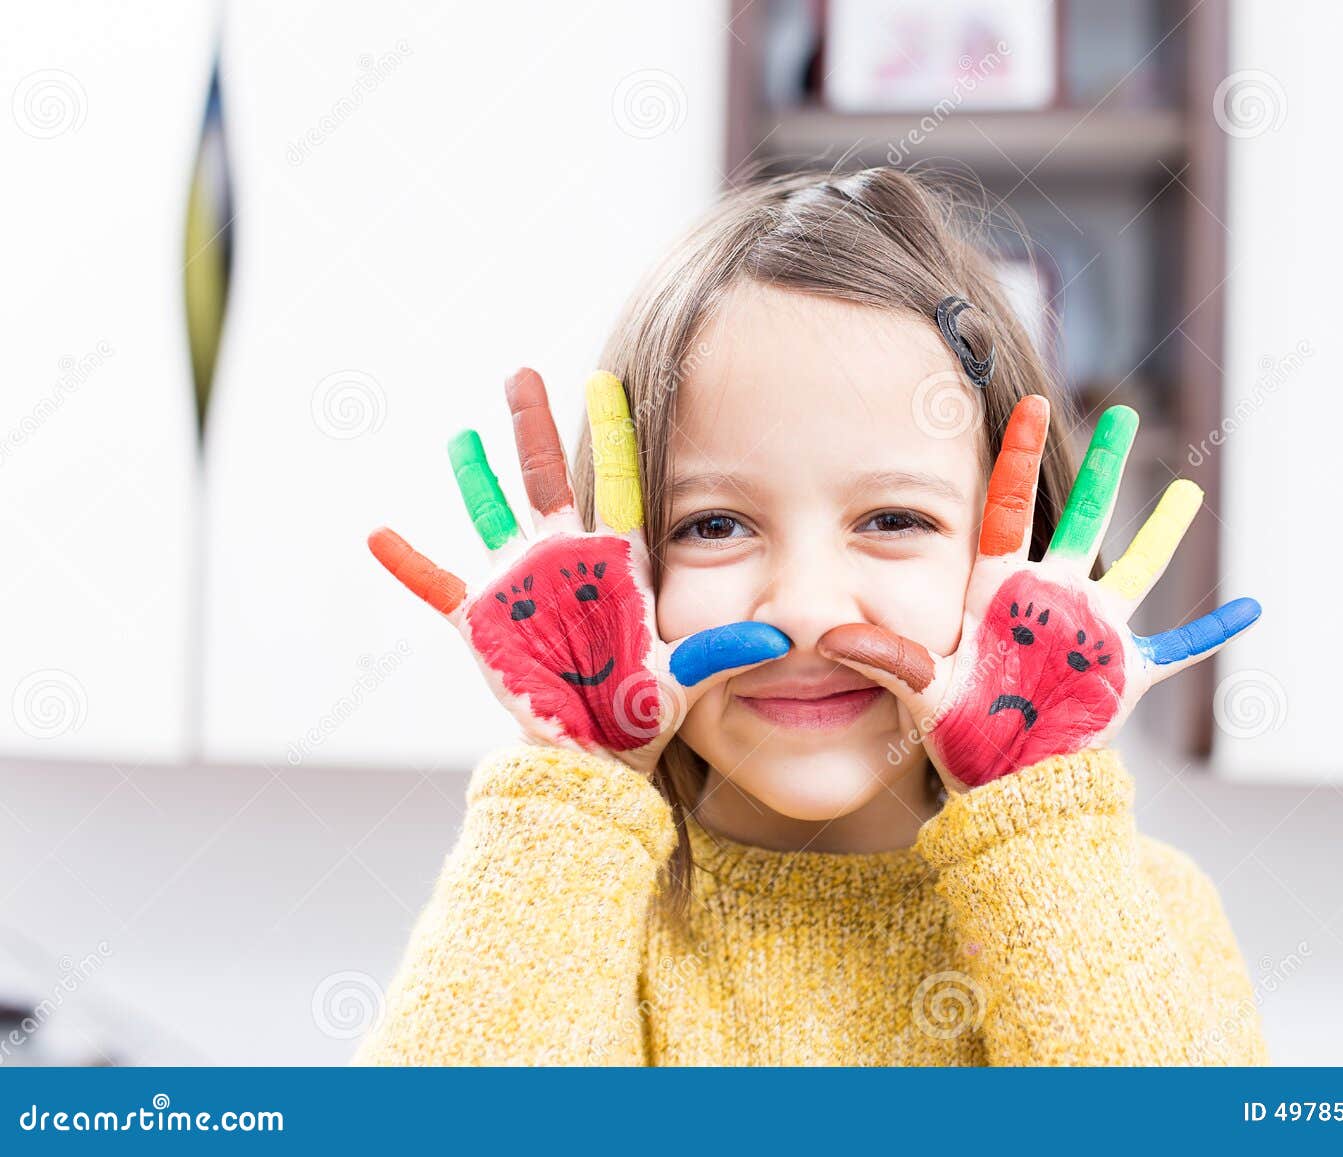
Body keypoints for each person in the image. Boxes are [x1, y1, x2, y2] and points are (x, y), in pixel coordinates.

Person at [355, 167, 1267, 1065]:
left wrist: (1037, 819)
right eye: (713, 524)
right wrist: (579, 773)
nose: (802, 608)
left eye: (893, 519)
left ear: (1016, 557)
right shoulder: (561, 903)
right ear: (612, 557)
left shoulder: (1140, 910)